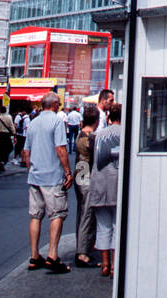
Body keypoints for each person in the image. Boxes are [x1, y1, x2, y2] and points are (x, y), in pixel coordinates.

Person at [23, 91, 72, 272]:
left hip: (35, 176)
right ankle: (53, 255)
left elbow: (26, 153)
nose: (59, 106)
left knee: (35, 215)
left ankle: (35, 256)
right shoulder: (57, 121)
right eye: (58, 103)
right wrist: (67, 172)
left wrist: (31, 171)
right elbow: (60, 149)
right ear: (53, 105)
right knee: (57, 214)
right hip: (52, 176)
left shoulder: (33, 123)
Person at [88, 102, 121, 276]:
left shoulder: (96, 136)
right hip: (118, 184)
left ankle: (105, 264)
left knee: (103, 226)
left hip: (99, 184)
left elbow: (89, 161)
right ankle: (115, 264)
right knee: (117, 225)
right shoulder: (128, 134)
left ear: (108, 118)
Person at [74, 103, 101, 269]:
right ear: (96, 120)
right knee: (87, 214)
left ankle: (81, 246)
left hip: (79, 170)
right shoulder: (92, 138)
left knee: (81, 211)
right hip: (87, 173)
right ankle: (82, 253)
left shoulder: (80, 134)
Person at [0, 105, 16, 171]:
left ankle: (0, 162)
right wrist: (14, 133)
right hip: (6, 135)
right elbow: (12, 126)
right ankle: (4, 160)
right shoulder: (9, 117)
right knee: (9, 148)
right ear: (6, 111)